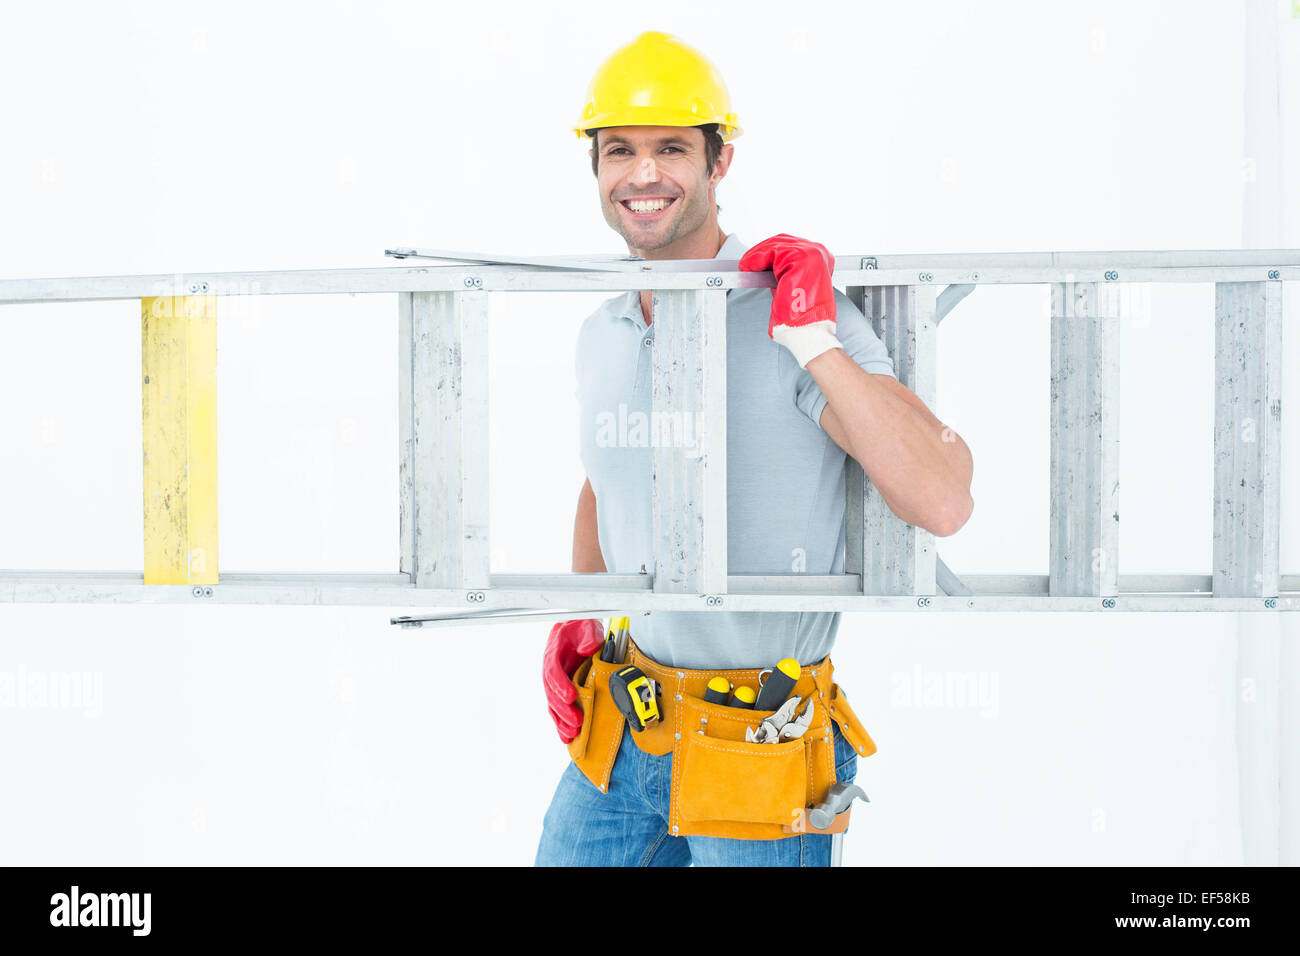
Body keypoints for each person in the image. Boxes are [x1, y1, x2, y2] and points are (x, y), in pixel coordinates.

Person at [535, 31, 974, 867]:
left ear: (719, 161)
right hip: (625, 728)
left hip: (759, 746)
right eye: (620, 150)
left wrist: (812, 339)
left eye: (673, 148)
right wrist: (583, 619)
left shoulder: (798, 315)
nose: (644, 174)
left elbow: (942, 497)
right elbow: (606, 478)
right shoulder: (603, 327)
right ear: (594, 166)